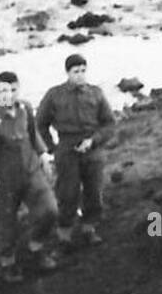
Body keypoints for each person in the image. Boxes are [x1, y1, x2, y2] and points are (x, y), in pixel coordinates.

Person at [0, 72, 60, 282]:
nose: (9, 95)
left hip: (31, 172)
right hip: (4, 179)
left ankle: (36, 246)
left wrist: (43, 154)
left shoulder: (25, 108)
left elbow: (33, 135)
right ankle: (8, 263)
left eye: (13, 89)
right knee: (6, 226)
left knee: (50, 210)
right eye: (4, 90)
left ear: (18, 90)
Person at [36, 54, 115, 247]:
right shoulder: (54, 95)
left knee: (94, 192)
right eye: (75, 71)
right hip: (66, 149)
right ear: (68, 73)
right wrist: (51, 148)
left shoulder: (96, 93)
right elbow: (39, 124)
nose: (80, 75)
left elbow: (109, 124)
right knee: (67, 194)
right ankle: (65, 235)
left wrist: (94, 140)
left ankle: (89, 228)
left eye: (83, 71)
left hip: (93, 150)